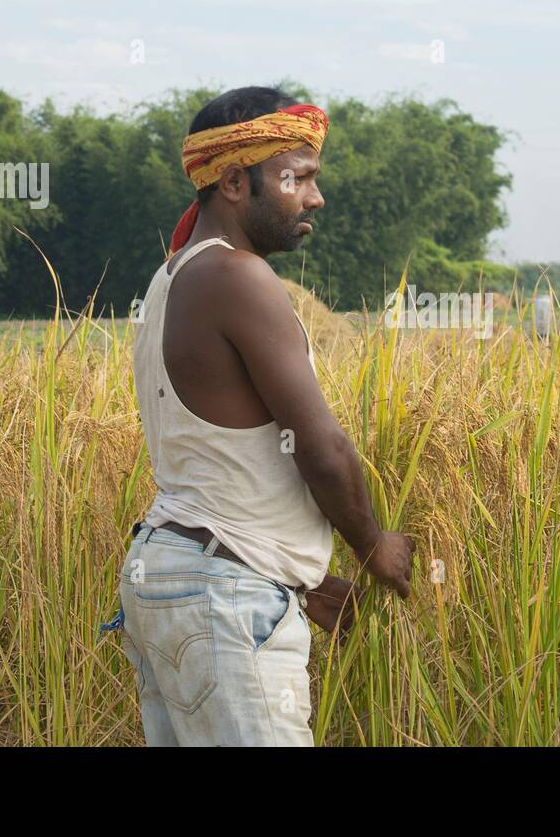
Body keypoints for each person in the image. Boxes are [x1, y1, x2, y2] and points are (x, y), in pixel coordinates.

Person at [115, 85, 414, 746]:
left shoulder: (172, 277)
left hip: (180, 572)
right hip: (219, 593)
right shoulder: (238, 278)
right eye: (296, 177)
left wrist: (299, 581)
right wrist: (375, 549)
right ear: (232, 181)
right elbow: (321, 447)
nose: (315, 197)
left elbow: (224, 464)